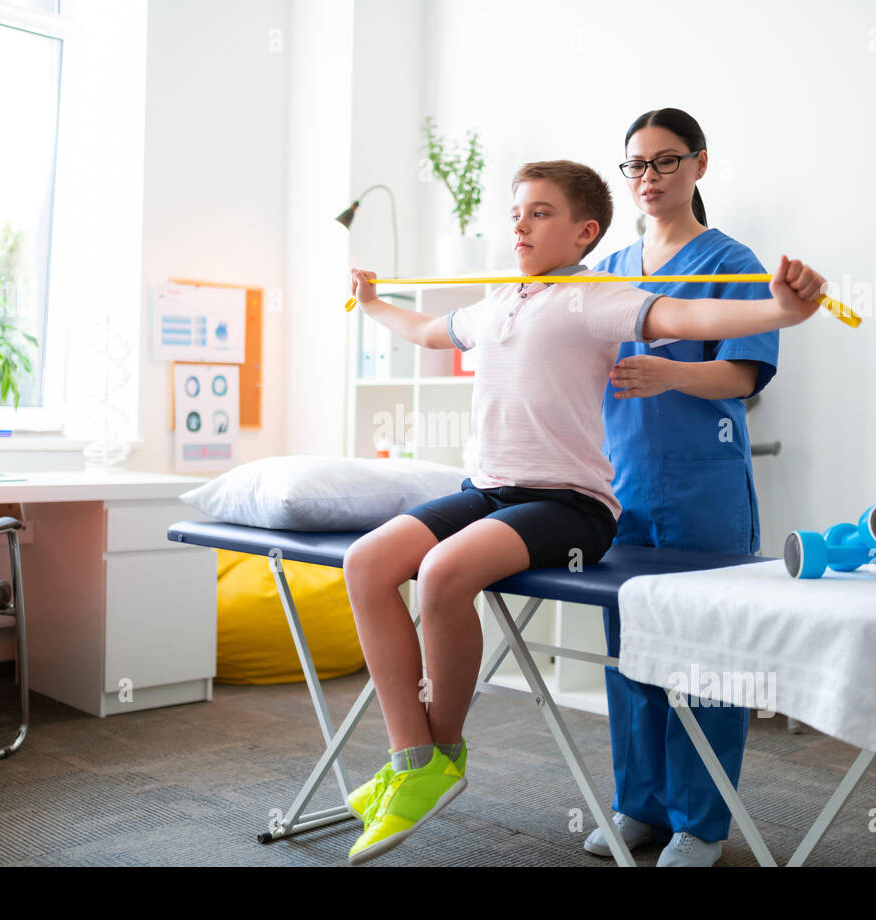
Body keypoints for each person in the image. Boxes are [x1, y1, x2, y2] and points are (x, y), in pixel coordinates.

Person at [342, 158, 825, 865]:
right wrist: (372, 301)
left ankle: (439, 759)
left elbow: (689, 315)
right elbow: (425, 334)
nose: (521, 224)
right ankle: (411, 755)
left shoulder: (595, 297)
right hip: (493, 488)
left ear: (584, 232)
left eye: (540, 212)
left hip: (570, 504)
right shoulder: (502, 298)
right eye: (516, 212)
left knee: (445, 573)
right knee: (366, 562)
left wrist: (783, 310)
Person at [581, 108, 780, 867]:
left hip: (702, 489)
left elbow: (741, 373)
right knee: (631, 654)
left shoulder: (732, 260)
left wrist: (668, 372)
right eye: (636, 165)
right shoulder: (606, 268)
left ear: (699, 164)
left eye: (666, 162)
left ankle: (701, 822)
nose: (649, 178)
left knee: (706, 659)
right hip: (617, 487)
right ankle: (641, 808)